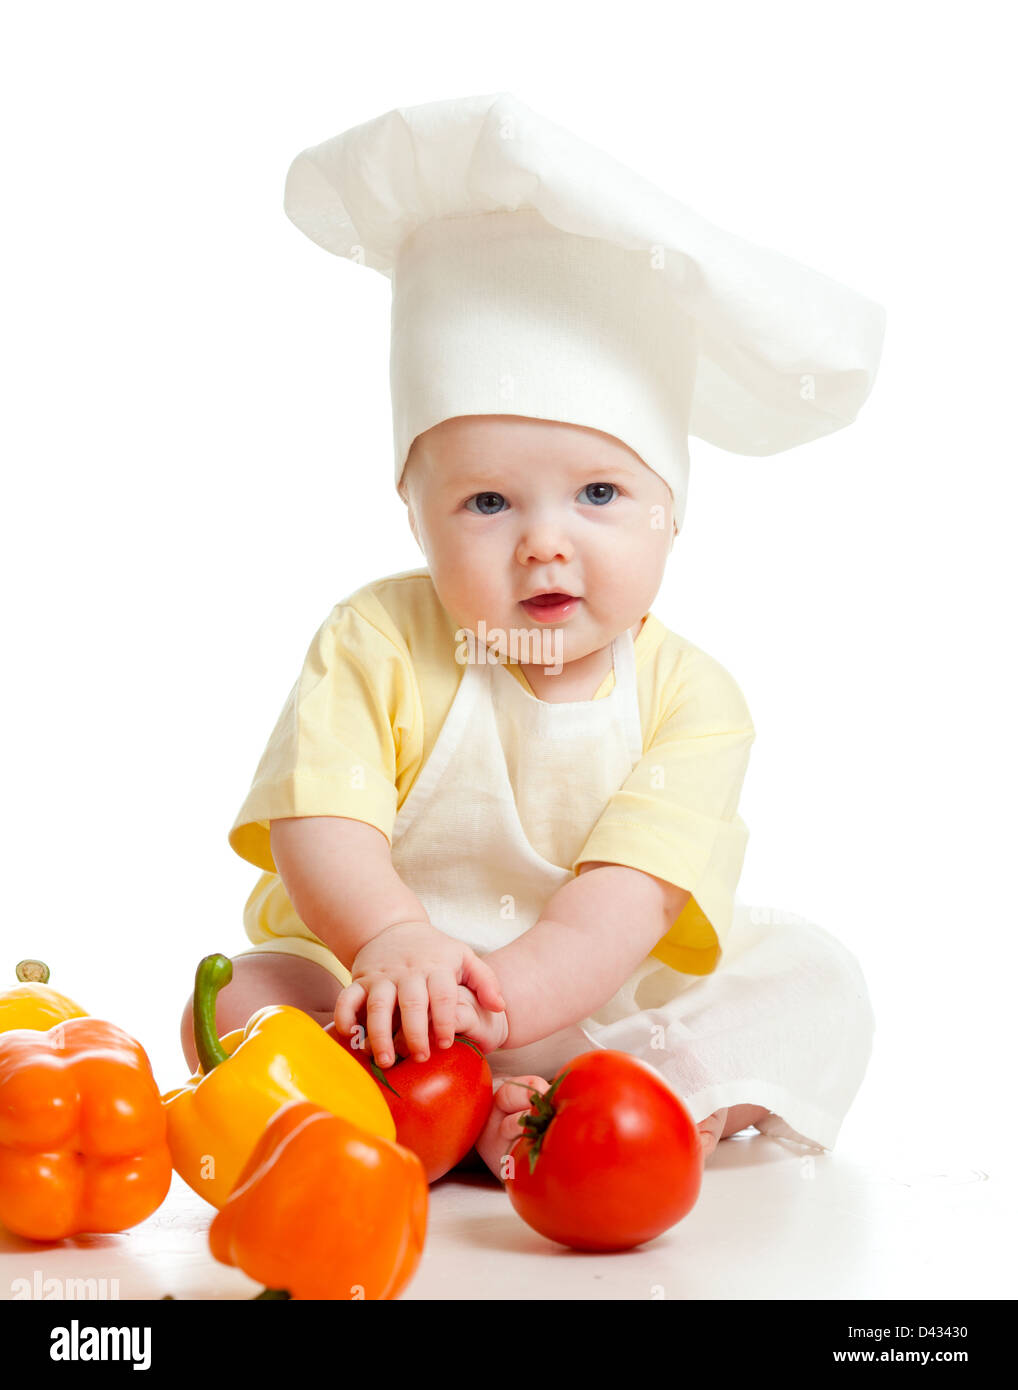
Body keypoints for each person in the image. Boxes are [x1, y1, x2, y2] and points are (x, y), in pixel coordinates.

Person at [180, 93, 885, 1179]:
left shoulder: (692, 698)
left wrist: (496, 1005)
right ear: (413, 513)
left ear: (672, 509)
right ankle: (429, 1107)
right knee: (237, 995)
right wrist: (391, 945)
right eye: (487, 504)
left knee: (813, 979)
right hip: (382, 995)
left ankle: (575, 1110)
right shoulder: (374, 635)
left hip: (590, 1004)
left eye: (599, 493)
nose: (543, 546)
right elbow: (318, 818)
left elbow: (623, 901)